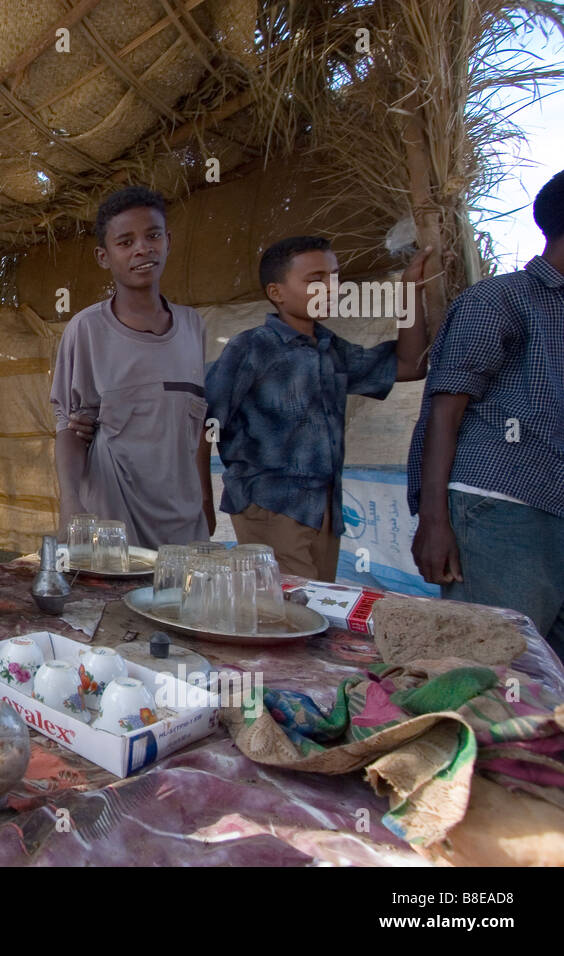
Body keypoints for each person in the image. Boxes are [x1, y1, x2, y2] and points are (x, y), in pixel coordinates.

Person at [205, 236, 432, 580]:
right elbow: (202, 423)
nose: (331, 287)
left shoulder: (330, 349)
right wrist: (203, 503)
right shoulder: (252, 348)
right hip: (270, 506)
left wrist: (409, 292)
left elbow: (411, 365)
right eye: (315, 280)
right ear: (276, 292)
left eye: (334, 276)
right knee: (292, 609)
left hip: (324, 509)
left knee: (316, 606)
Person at [408, 170, 564, 659]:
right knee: (495, 668)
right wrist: (434, 521)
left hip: (555, 509)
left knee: (546, 686)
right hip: (501, 508)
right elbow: (444, 410)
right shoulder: (500, 298)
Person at [52, 186, 215, 549]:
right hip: (114, 527)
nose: (142, 248)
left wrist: (205, 502)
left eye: (153, 235)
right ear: (103, 256)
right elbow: (70, 427)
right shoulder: (87, 330)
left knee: (184, 605)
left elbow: (197, 427)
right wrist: (70, 503)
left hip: (184, 530)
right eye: (125, 242)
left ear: (168, 241)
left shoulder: (193, 327)